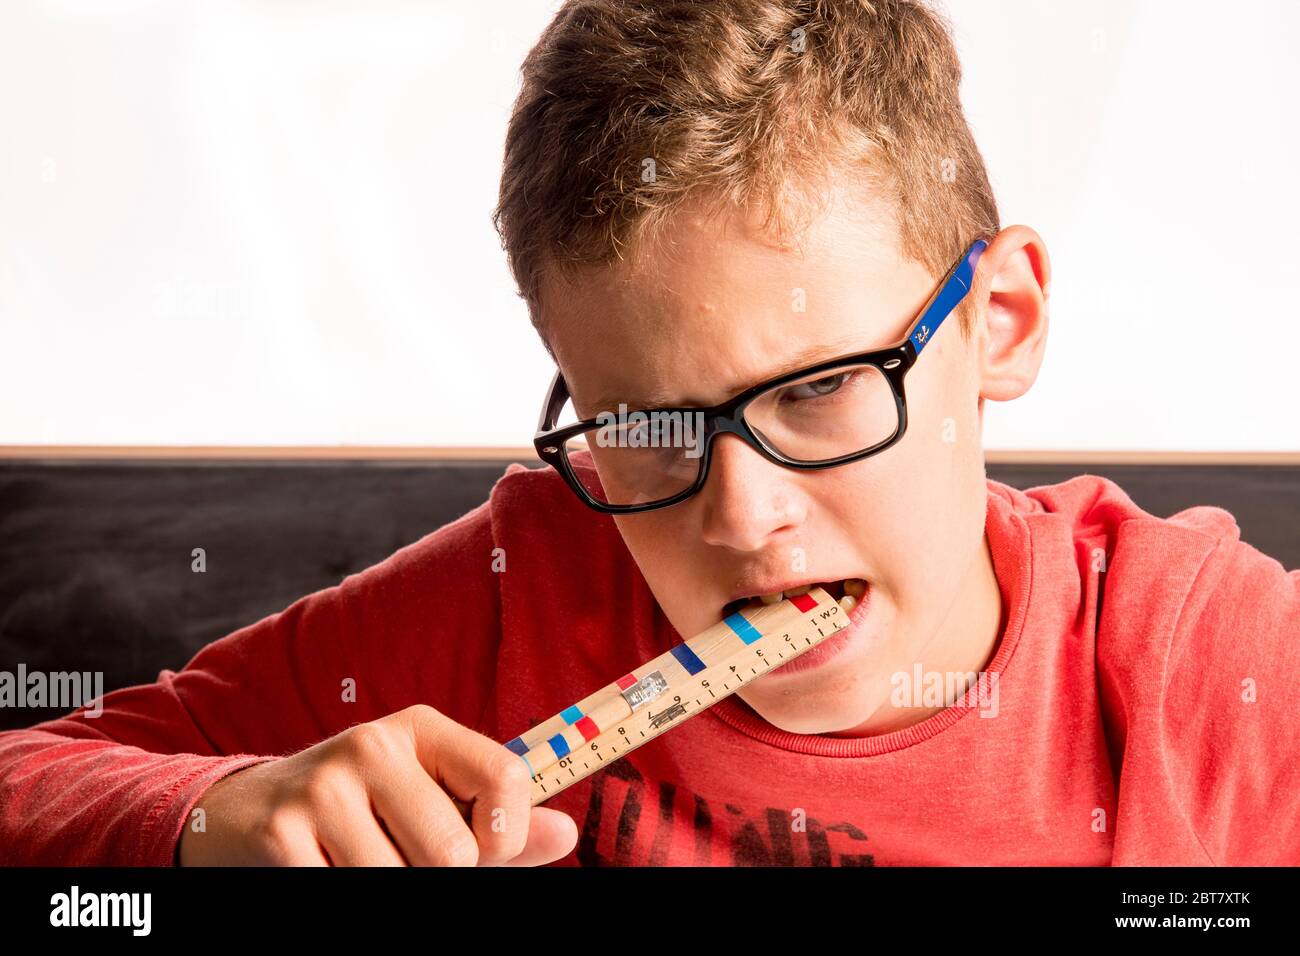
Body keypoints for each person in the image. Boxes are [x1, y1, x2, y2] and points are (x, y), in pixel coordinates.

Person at [2, 0, 1296, 867]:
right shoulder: (527, 599)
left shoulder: (1204, 675)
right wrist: (208, 822)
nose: (738, 515)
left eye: (818, 390)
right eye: (648, 425)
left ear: (1000, 323)